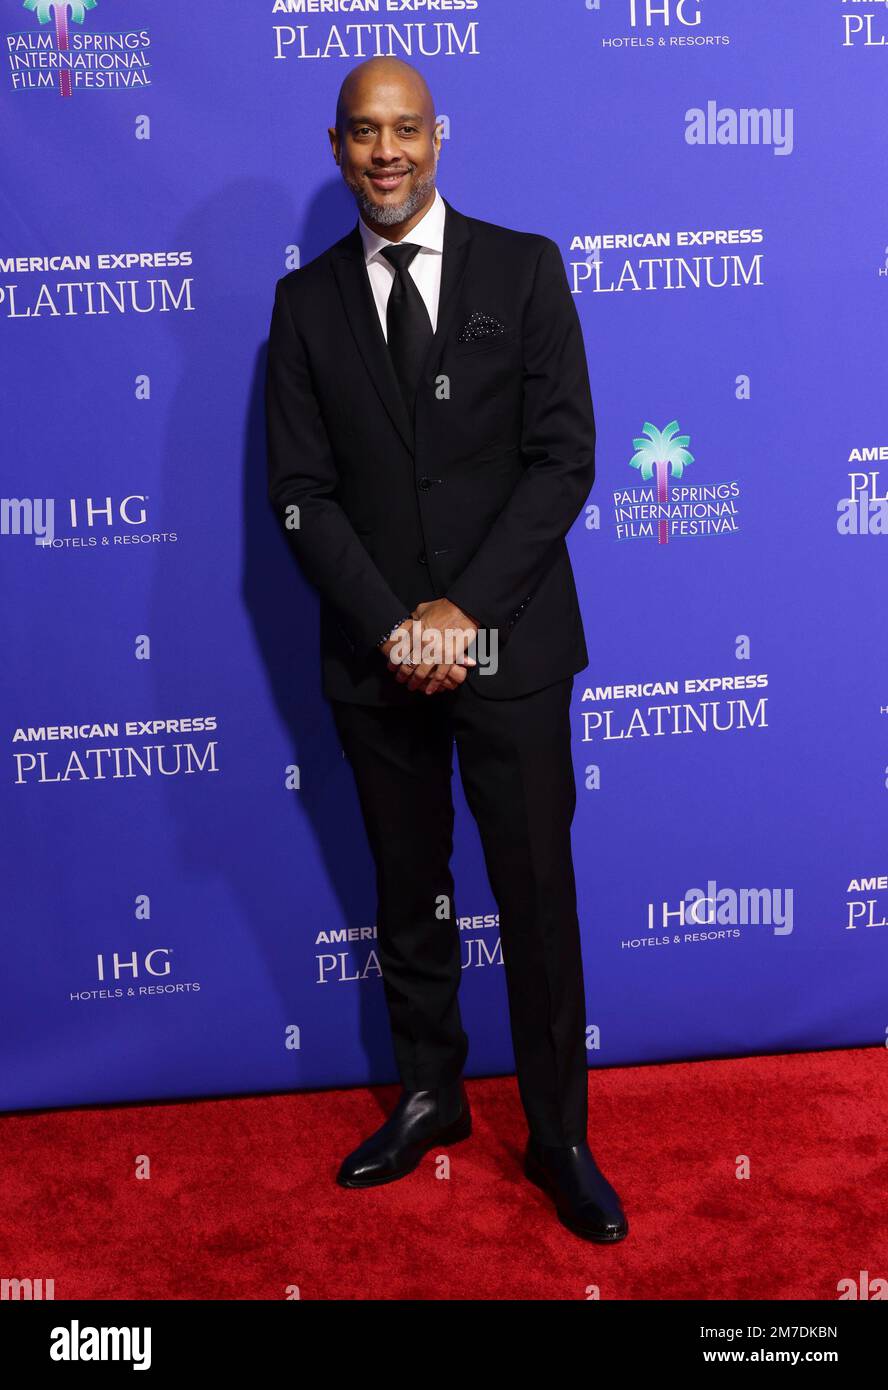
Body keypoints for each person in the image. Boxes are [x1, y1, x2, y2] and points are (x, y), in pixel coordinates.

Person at [265, 55, 628, 1243]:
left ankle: (559, 1134)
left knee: (536, 898)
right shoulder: (304, 304)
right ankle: (430, 1095)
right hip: (378, 665)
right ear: (335, 148)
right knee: (409, 893)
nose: (387, 154)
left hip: (509, 649)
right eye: (365, 134)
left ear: (440, 137)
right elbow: (302, 495)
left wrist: (462, 614)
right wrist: (394, 624)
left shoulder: (524, 270)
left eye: (406, 130)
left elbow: (563, 458)